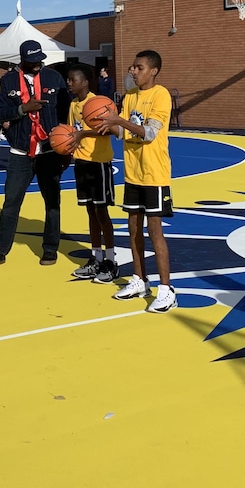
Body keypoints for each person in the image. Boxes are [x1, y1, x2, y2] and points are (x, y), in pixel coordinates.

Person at [95, 50, 177, 313]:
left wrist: (120, 121)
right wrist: (107, 125)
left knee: (155, 231)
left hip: (155, 173)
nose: (133, 71)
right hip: (134, 173)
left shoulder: (160, 95)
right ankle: (140, 280)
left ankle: (166, 290)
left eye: (139, 67)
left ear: (153, 71)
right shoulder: (130, 97)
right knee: (132, 230)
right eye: (132, 67)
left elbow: (150, 133)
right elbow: (124, 132)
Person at [0, 40, 69, 266]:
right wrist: (22, 109)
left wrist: (65, 150)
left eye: (40, 59)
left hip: (48, 150)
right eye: (33, 60)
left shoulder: (53, 78)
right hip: (20, 151)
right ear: (23, 59)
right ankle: (0, 250)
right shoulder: (7, 81)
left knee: (52, 201)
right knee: (11, 202)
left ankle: (50, 248)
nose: (38, 64)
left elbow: (65, 113)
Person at [65, 65, 118, 284]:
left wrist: (83, 132)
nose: (69, 83)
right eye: (68, 80)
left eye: (72, 79)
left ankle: (111, 261)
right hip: (82, 162)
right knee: (90, 211)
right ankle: (96, 258)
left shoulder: (99, 103)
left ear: (85, 81)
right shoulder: (72, 105)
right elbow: (71, 132)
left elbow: (108, 130)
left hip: (99, 163)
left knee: (102, 212)